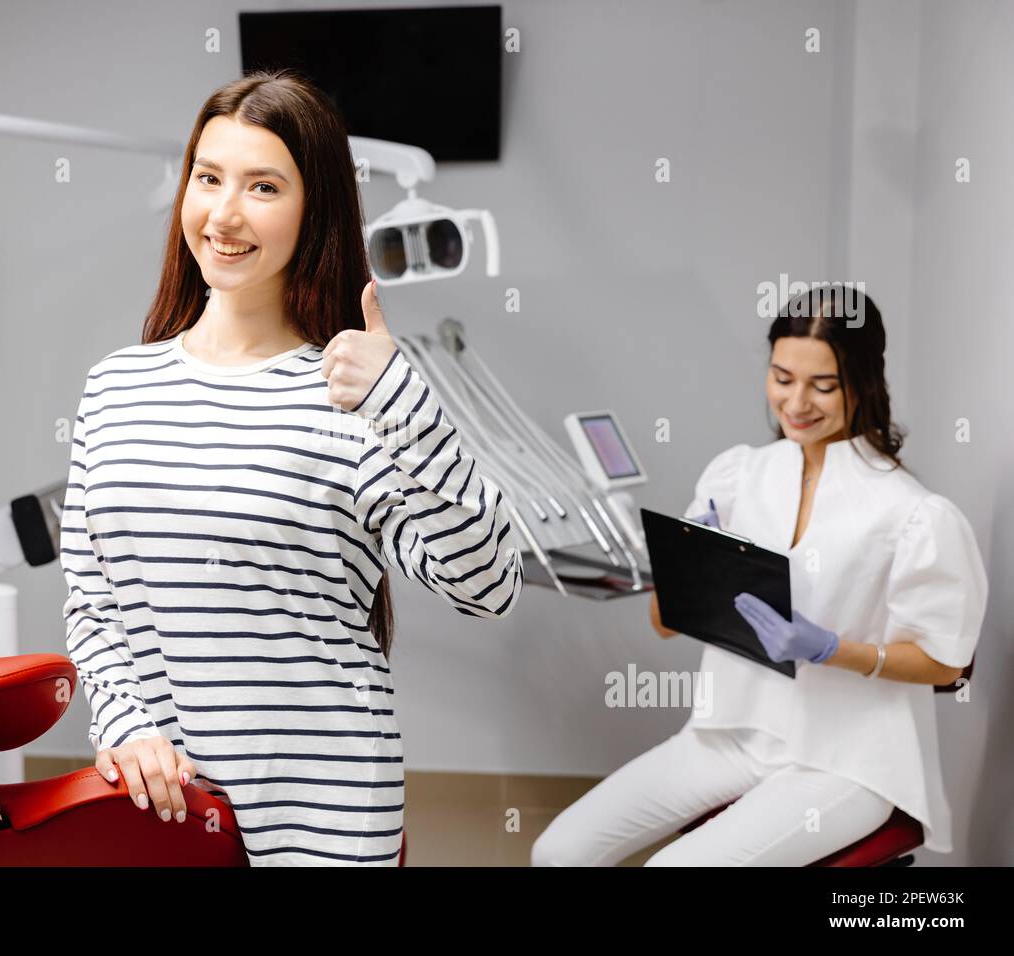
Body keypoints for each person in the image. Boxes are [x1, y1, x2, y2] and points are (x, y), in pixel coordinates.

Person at [60, 70, 524, 866]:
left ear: (315, 211)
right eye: (209, 179)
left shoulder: (356, 399)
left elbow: (489, 584)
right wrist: (126, 723)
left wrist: (406, 403)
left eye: (264, 186)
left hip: (329, 817)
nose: (225, 213)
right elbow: (92, 599)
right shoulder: (116, 387)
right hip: (165, 810)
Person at [532, 284, 987, 866]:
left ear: (864, 384)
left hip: (846, 760)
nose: (796, 402)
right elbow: (663, 626)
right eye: (781, 377)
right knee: (558, 851)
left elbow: (945, 661)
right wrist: (691, 567)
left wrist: (831, 650)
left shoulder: (913, 514)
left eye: (823, 385)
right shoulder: (737, 476)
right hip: (734, 733)